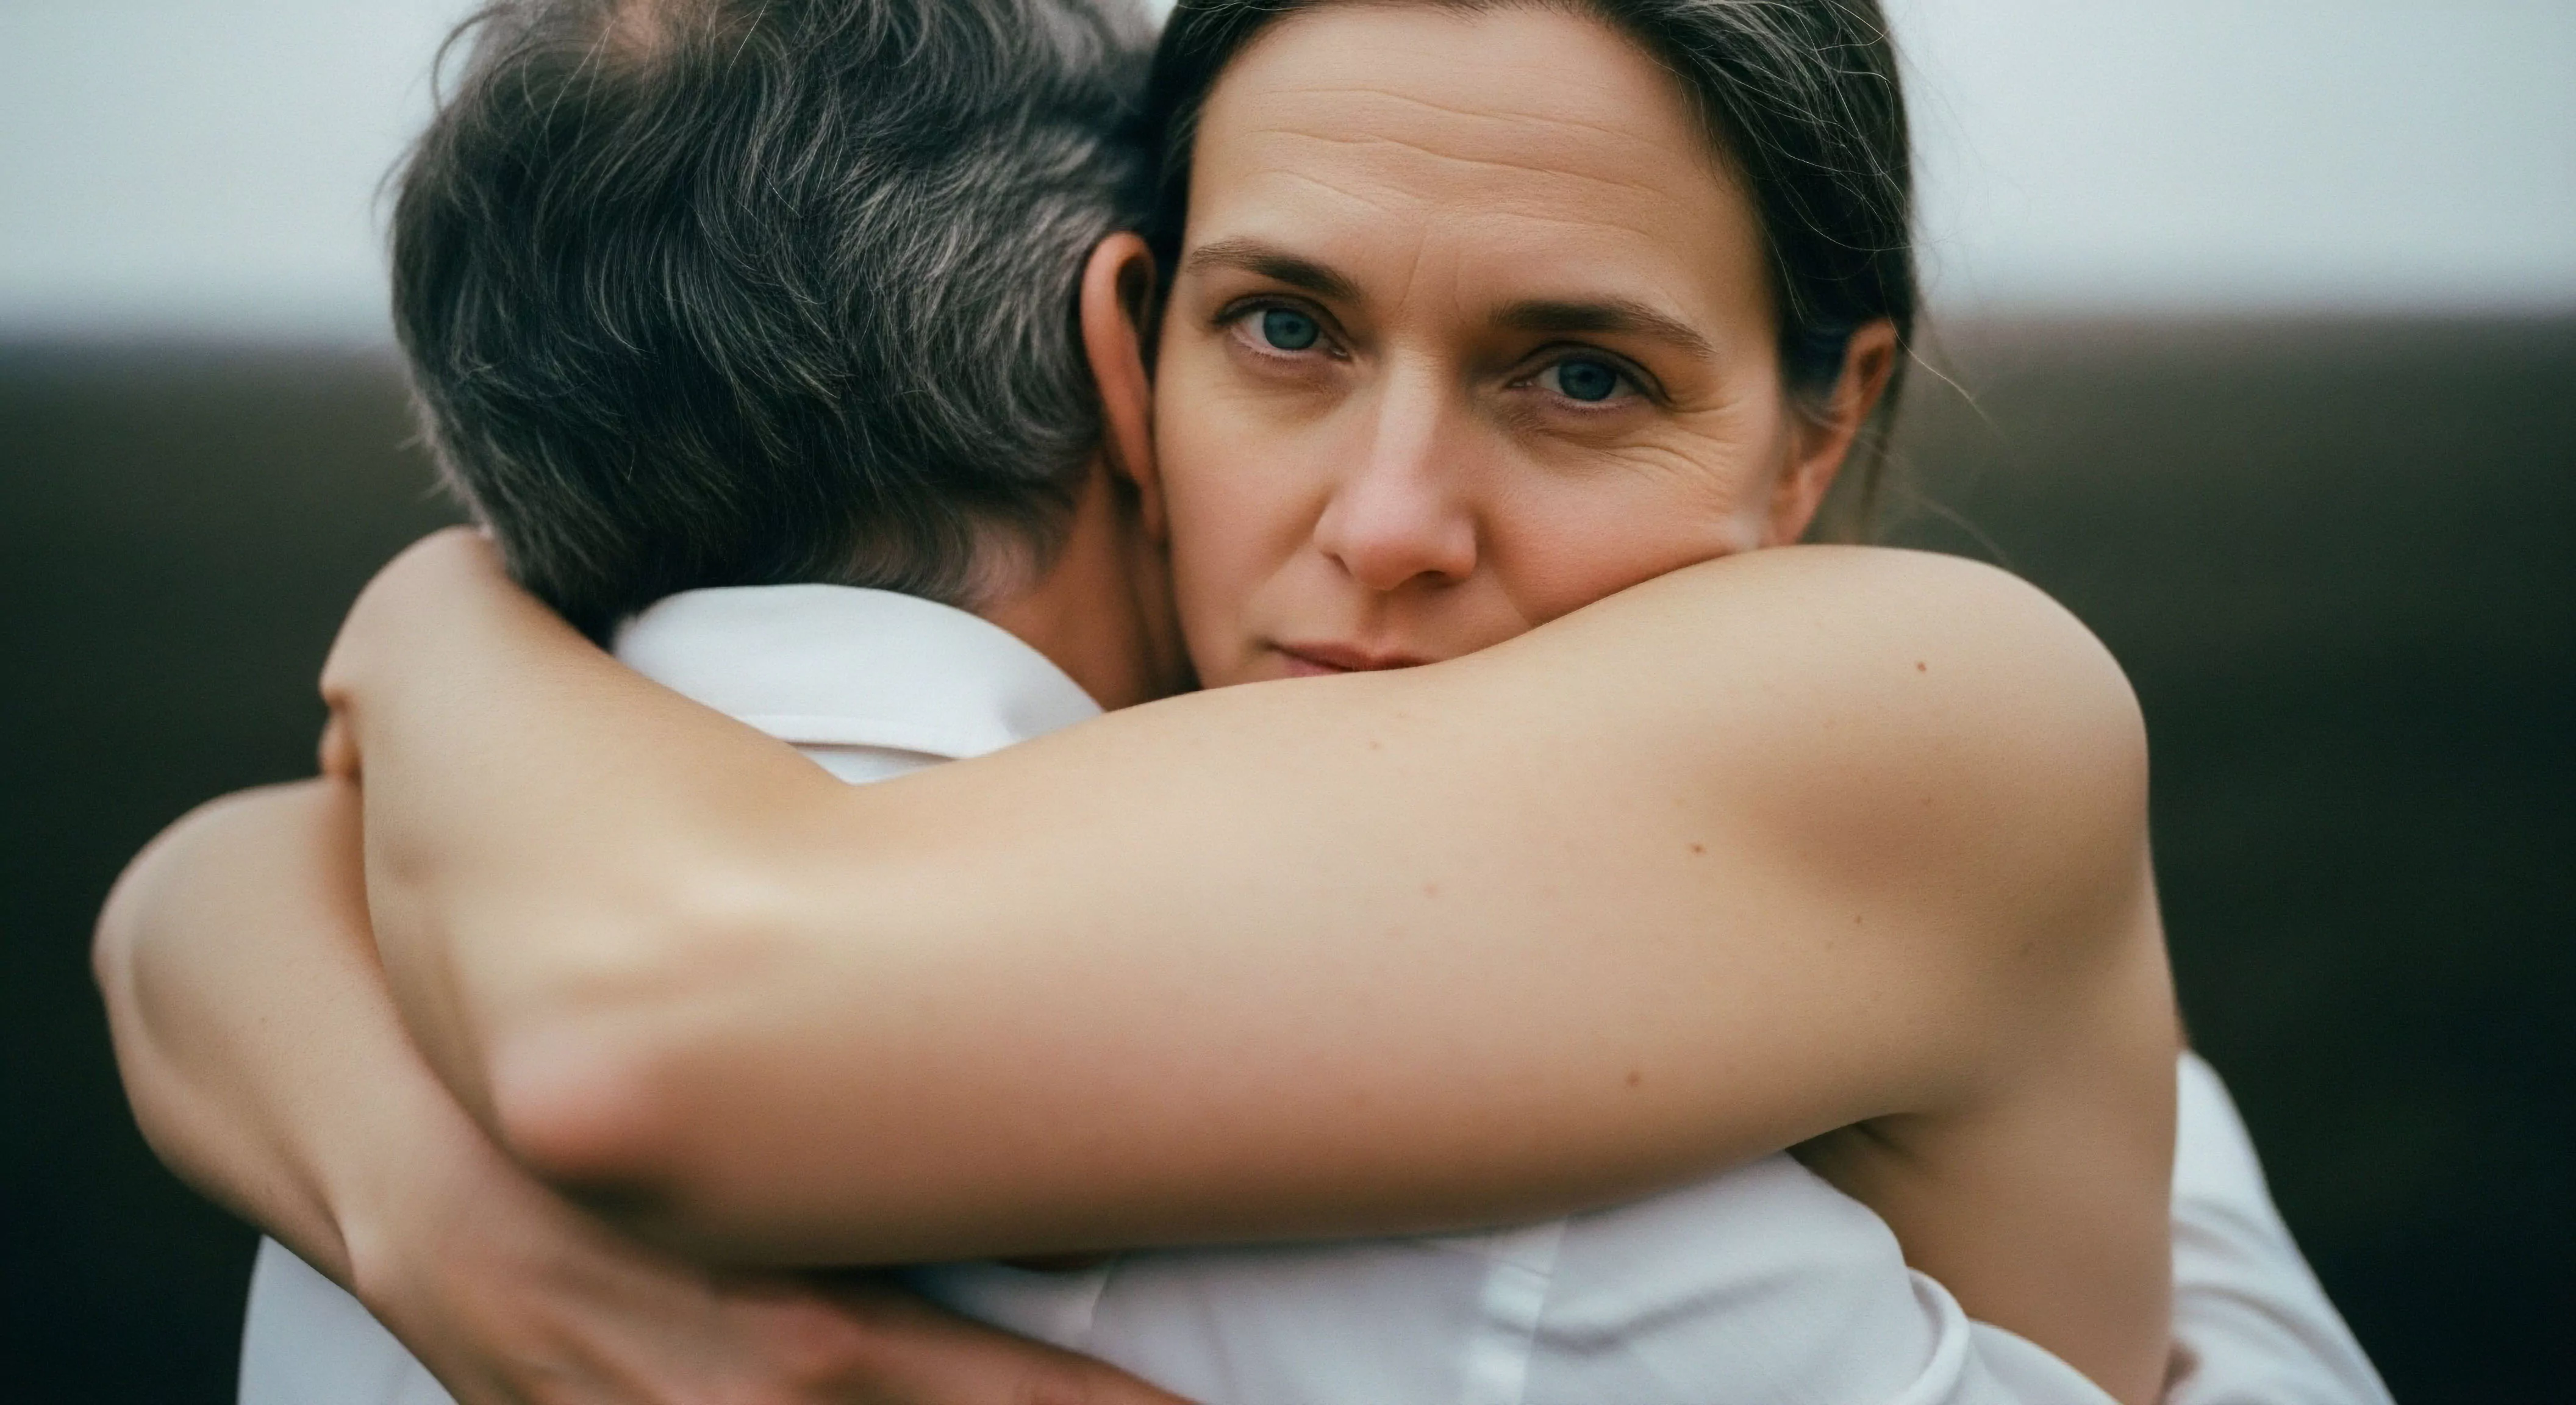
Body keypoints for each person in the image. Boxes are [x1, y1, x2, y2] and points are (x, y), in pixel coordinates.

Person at [94, 0, 2394, 1403]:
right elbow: (225, 905)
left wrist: (435, 615)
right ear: (1129, 345)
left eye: (1581, 375)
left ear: (1826, 420)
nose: (1390, 517)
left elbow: (633, 998)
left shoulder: (1931, 691)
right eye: (1284, 328)